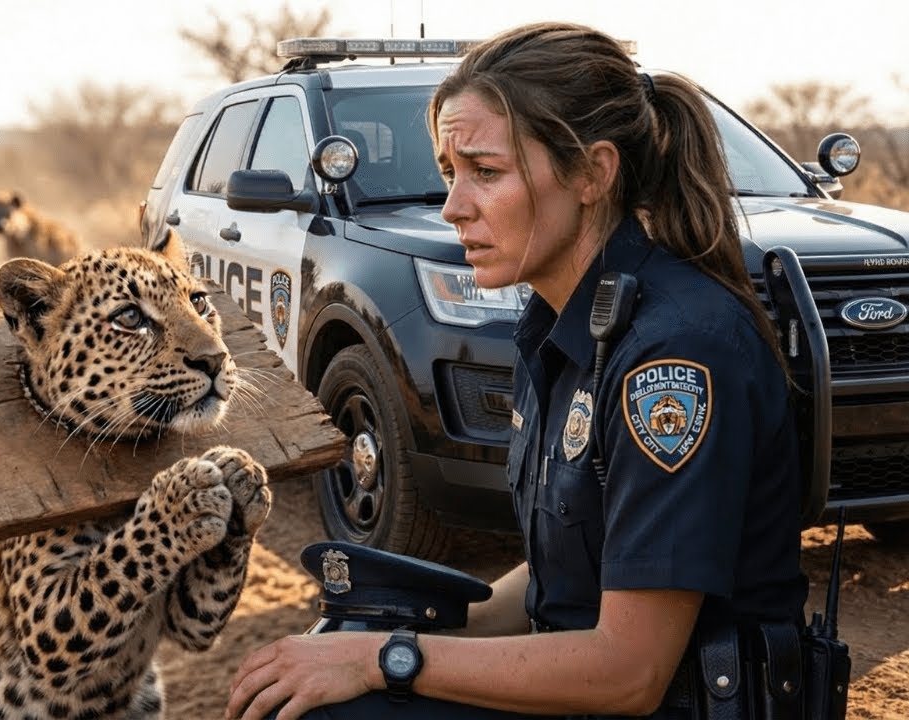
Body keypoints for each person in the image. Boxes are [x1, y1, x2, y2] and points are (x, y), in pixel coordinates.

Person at [226, 21, 808, 720]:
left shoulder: (675, 354)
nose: (453, 207)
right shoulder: (562, 329)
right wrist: (383, 639)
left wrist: (385, 662)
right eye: (450, 174)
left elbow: (630, 671)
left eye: (486, 172)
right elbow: (566, 574)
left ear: (593, 173)